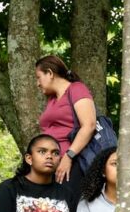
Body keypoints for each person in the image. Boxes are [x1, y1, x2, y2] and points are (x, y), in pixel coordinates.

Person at [36, 55, 99, 197]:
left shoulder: (76, 89)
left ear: (50, 73)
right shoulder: (52, 99)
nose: (37, 83)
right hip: (53, 165)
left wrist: (68, 157)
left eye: (38, 77)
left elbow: (89, 124)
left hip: (72, 163)